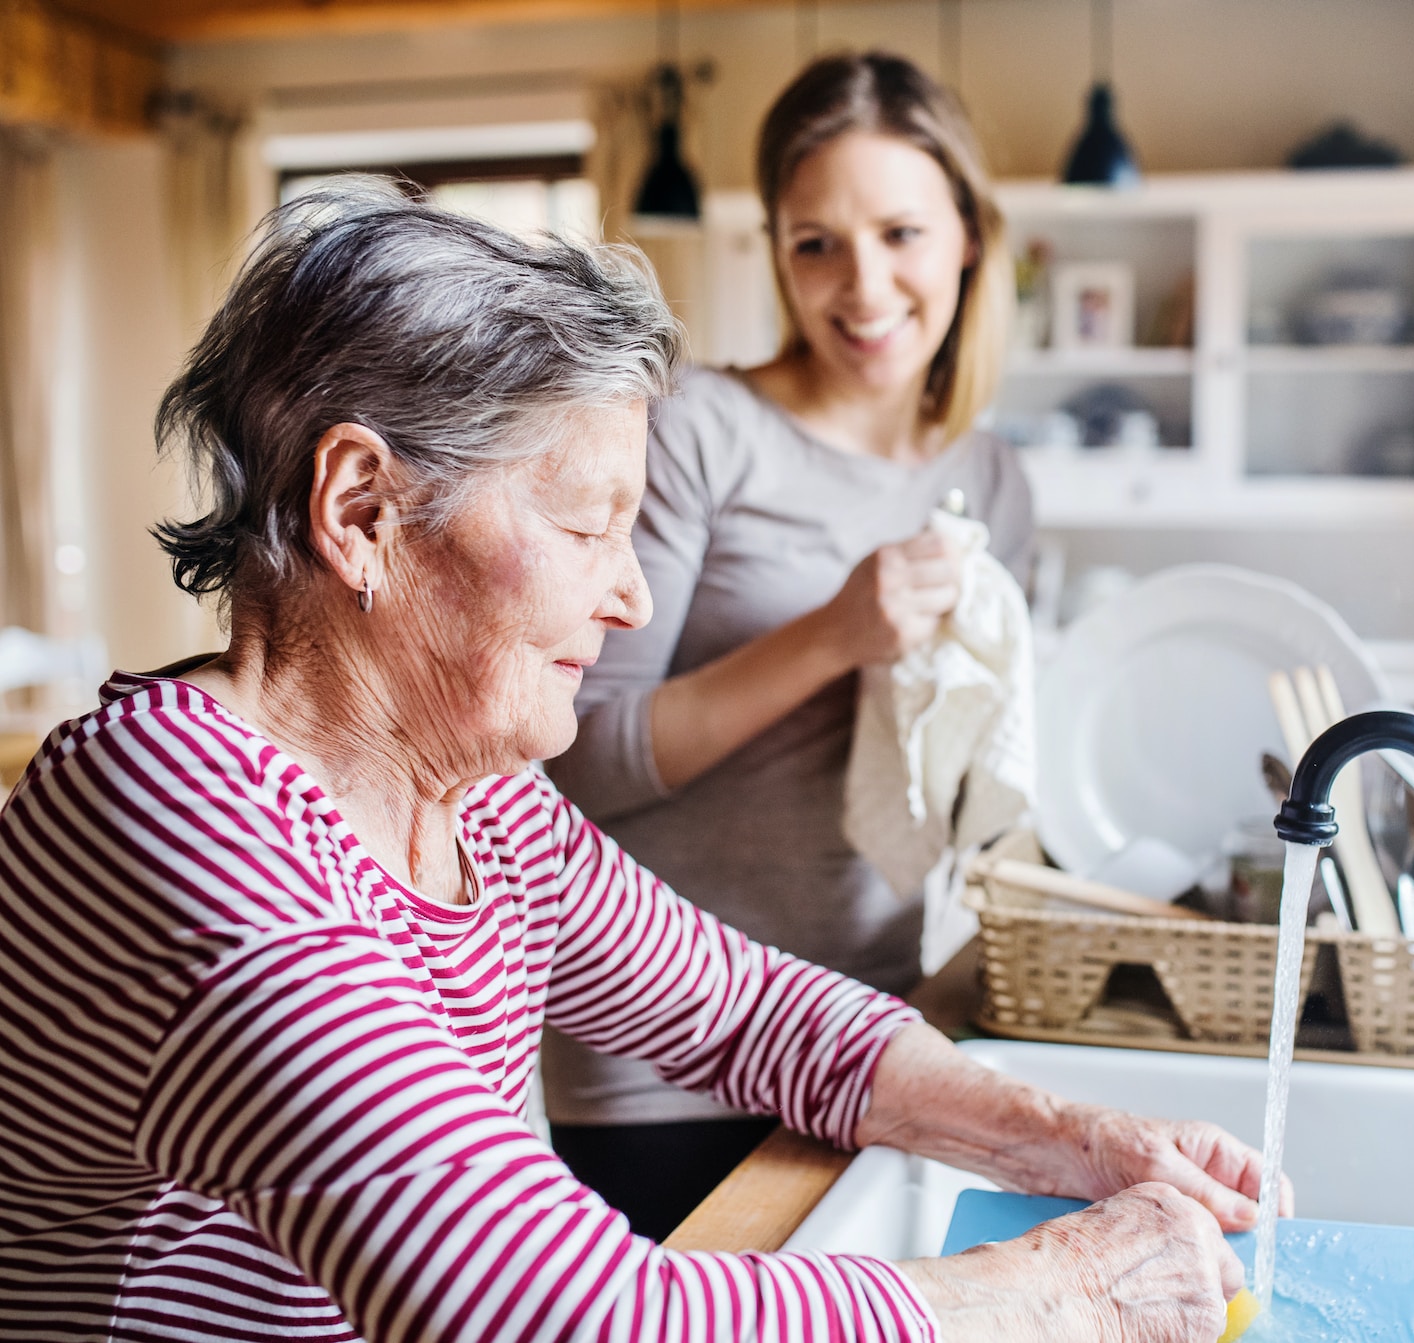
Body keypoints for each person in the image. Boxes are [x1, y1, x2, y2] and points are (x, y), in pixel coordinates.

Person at [0, 183, 1280, 1343]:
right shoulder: (176, 812)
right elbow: (567, 1316)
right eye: (585, 525)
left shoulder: (484, 801)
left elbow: (753, 1015)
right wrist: (1059, 1293)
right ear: (363, 512)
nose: (630, 595)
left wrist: (1075, 1139)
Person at [544, 50, 1031, 1237]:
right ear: (776, 253)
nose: (863, 286)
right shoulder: (697, 430)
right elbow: (574, 759)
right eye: (817, 243)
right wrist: (830, 636)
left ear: (969, 237)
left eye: (902, 233)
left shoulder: (991, 476)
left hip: (877, 1032)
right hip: (662, 1057)